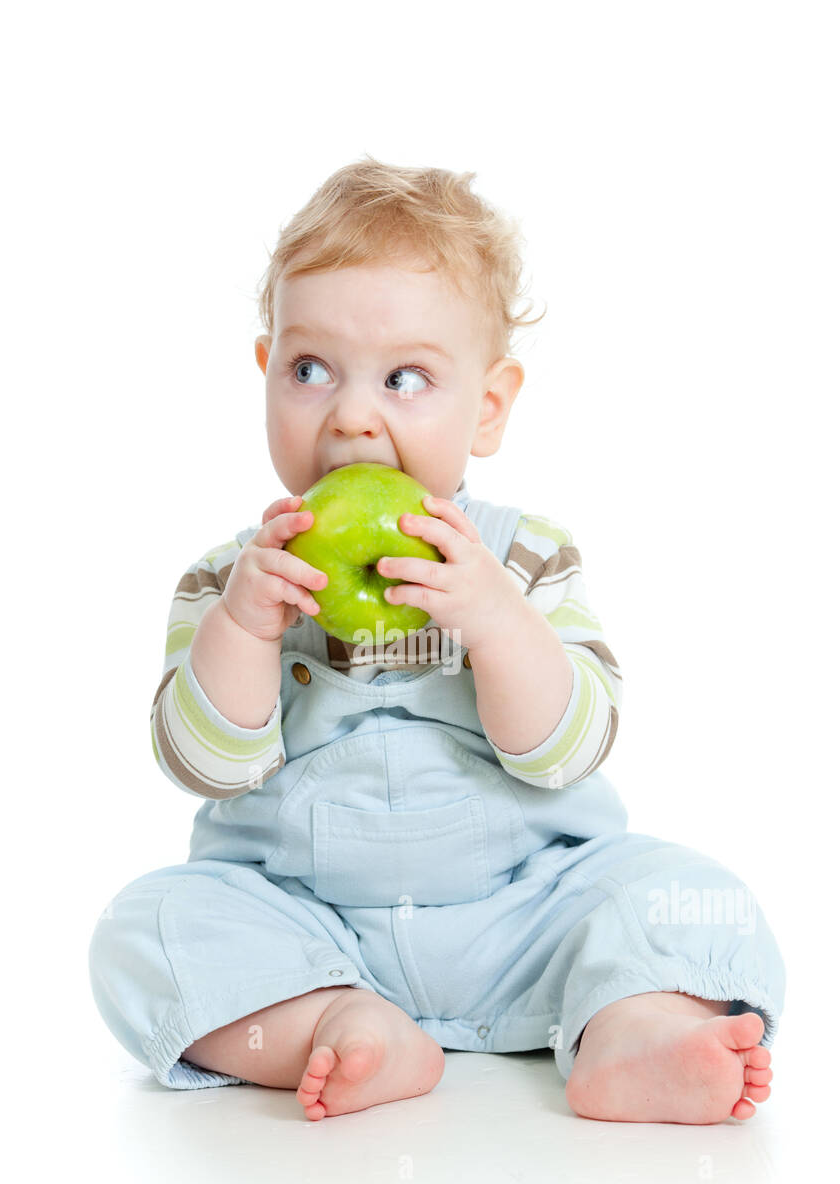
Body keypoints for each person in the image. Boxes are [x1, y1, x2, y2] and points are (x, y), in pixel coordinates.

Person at [90, 157, 783, 1123]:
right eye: (309, 369)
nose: (353, 417)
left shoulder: (526, 559)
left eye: (406, 378)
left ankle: (628, 1031)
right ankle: (335, 1024)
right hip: (312, 924)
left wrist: (495, 619)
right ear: (265, 373)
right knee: (145, 927)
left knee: (693, 896)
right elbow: (204, 766)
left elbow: (571, 749)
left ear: (488, 406)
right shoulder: (233, 579)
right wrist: (244, 631)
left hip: (528, 914)